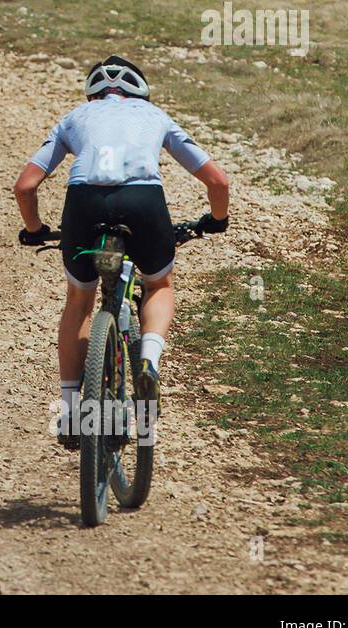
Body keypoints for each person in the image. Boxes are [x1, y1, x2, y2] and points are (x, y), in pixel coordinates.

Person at [13, 55, 231, 446]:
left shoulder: (74, 117)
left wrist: (35, 230)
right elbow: (218, 181)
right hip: (143, 201)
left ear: (92, 94)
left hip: (84, 203)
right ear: (141, 92)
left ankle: (70, 410)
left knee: (79, 299)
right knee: (159, 283)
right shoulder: (155, 116)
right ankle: (148, 357)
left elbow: (25, 186)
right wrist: (215, 221)